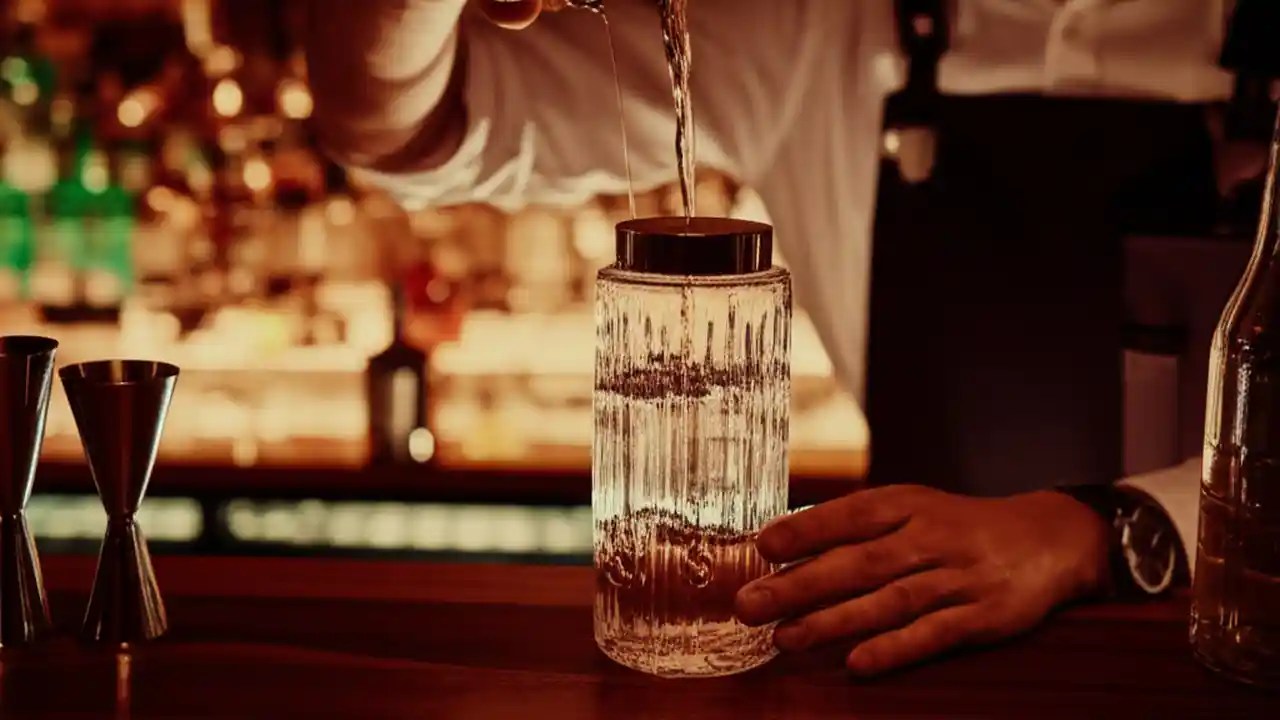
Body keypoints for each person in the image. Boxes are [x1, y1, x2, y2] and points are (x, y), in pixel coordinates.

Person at [306, 0, 1255, 675]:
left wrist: (1103, 529)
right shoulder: (824, 25)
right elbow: (409, 129)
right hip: (911, 663)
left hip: (1241, 647)